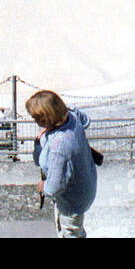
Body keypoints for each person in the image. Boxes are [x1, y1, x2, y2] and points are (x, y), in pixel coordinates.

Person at [27, 90, 97, 238]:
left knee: (71, 233)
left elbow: (55, 187)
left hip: (71, 200)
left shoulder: (59, 146)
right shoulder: (71, 115)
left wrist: (44, 186)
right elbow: (86, 120)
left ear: (45, 119)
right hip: (86, 183)